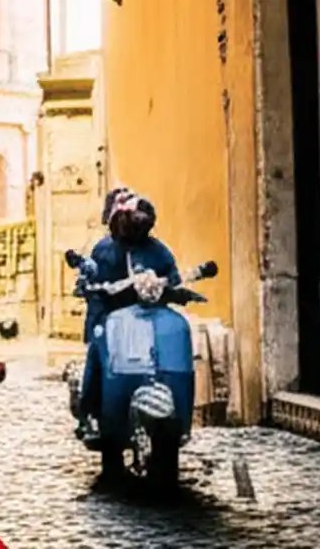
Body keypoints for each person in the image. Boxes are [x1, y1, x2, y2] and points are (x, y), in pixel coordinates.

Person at [75, 189, 180, 448]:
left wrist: (173, 287)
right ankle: (90, 414)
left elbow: (172, 274)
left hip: (148, 316)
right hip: (109, 317)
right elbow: (92, 278)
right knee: (98, 356)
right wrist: (93, 289)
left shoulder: (157, 250)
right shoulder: (103, 250)